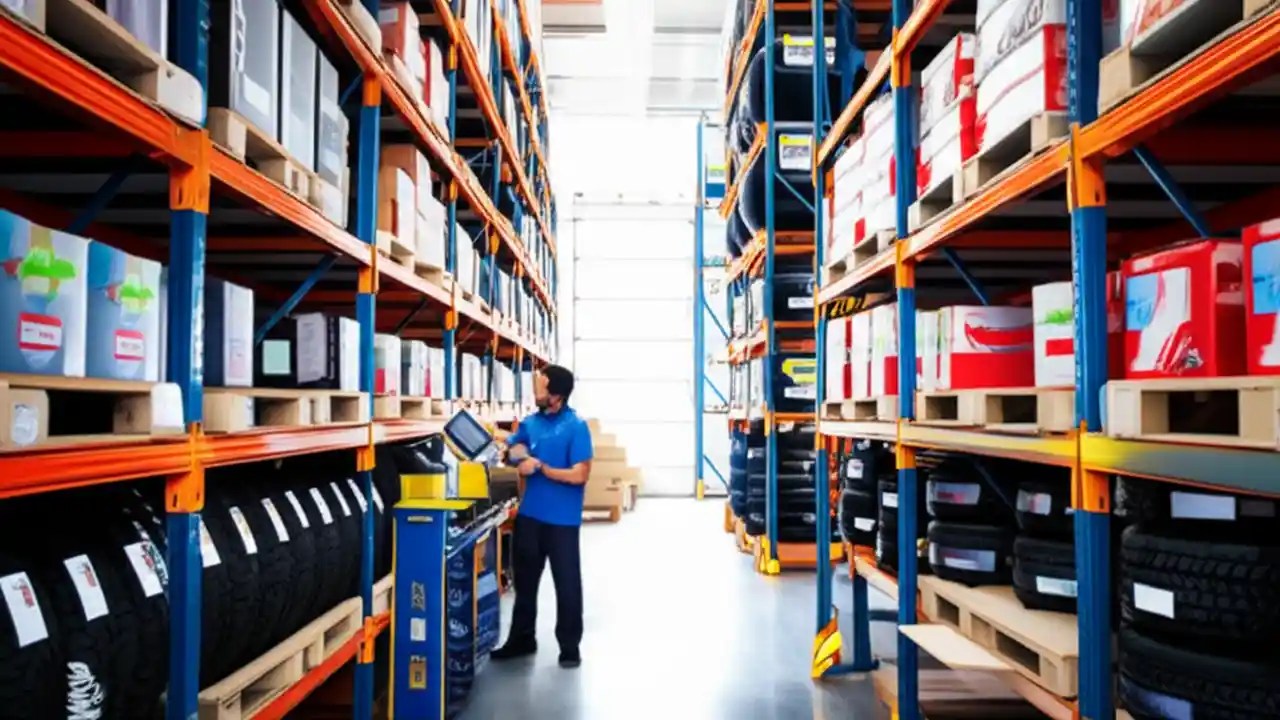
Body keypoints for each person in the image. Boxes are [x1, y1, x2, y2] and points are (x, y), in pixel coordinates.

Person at [491, 364, 593, 668]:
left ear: (557, 395)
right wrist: (517, 458)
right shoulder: (531, 423)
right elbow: (513, 446)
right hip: (530, 517)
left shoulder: (576, 426)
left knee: (567, 585)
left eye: (541, 386)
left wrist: (542, 468)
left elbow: (580, 474)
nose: (535, 391)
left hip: (562, 522)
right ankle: (522, 639)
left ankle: (569, 646)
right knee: (525, 583)